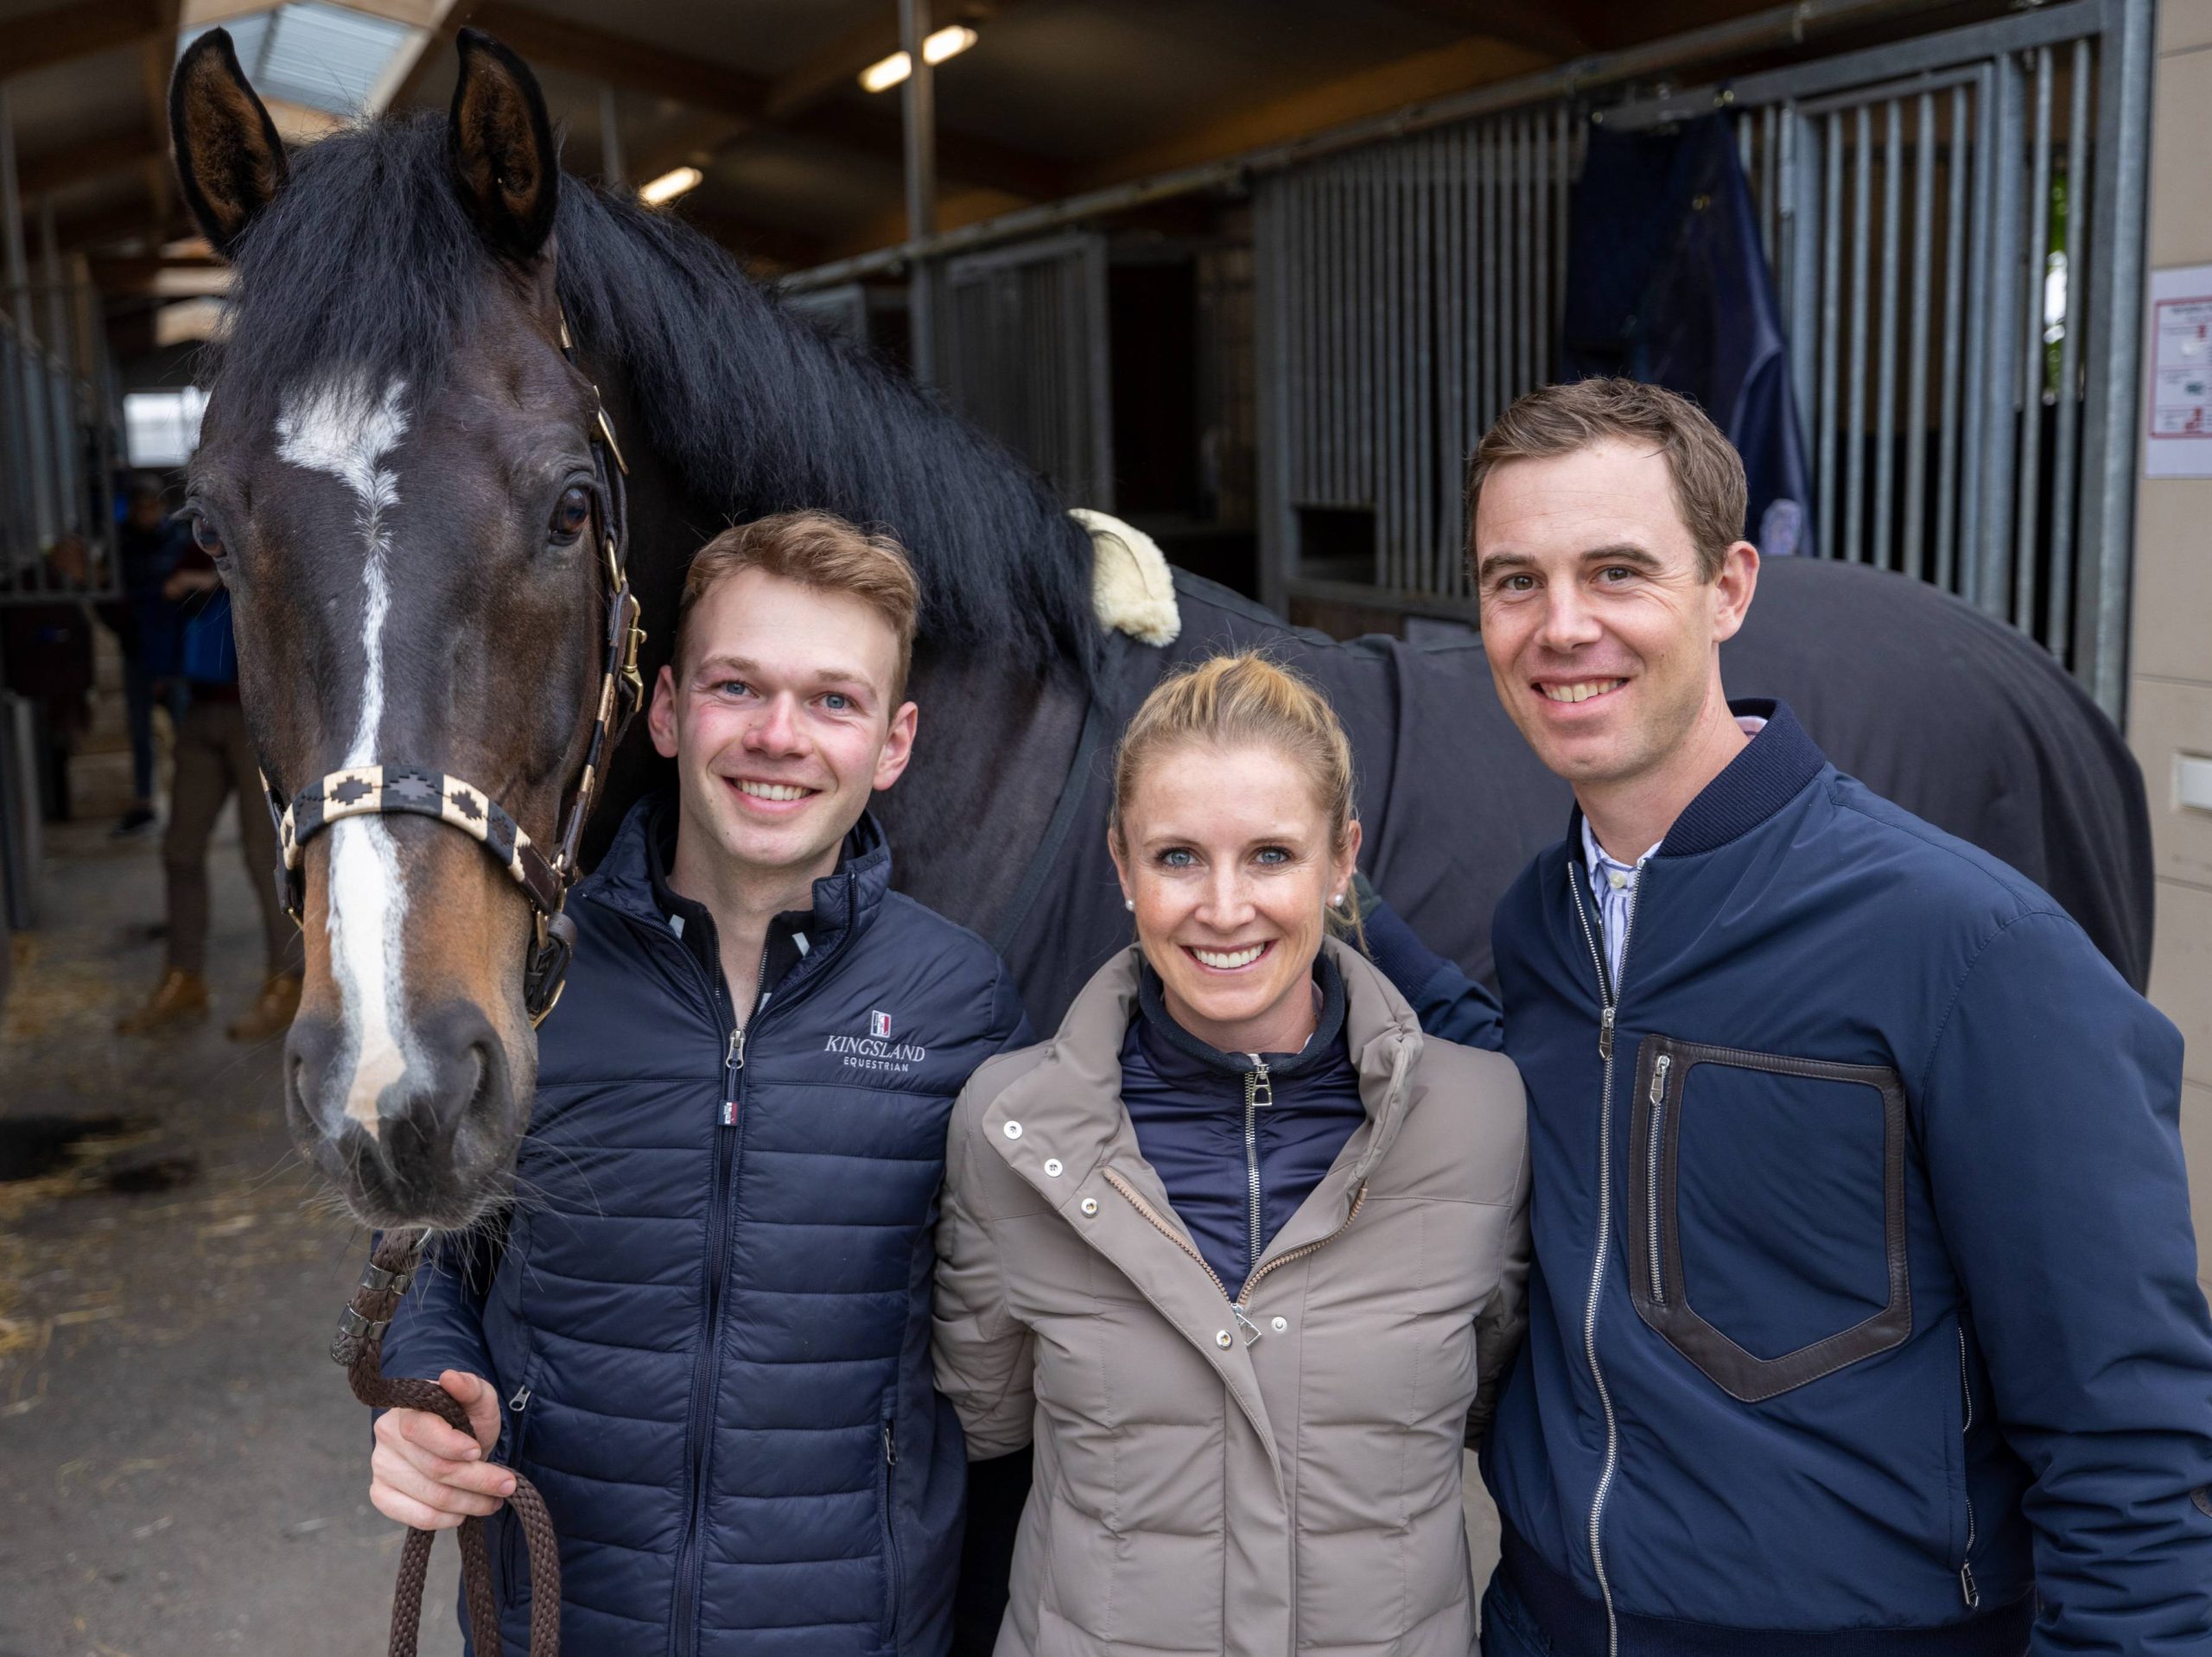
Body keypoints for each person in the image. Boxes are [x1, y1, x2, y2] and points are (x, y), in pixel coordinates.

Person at [1468, 378, 2212, 1655]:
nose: (1562, 626)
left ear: (1731, 588)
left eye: (1618, 571)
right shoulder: (1543, 926)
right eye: (1515, 581)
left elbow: (2129, 1425)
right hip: (1544, 1620)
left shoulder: (1970, 945)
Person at [372, 511, 1030, 1655]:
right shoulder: (530, 980)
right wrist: (430, 1385)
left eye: (834, 700)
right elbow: (447, 1259)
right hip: (564, 1620)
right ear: (668, 710)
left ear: (894, 742)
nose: (781, 734)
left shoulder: (961, 1003)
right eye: (739, 686)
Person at [933, 651, 1530, 1657]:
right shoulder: (1010, 1130)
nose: (1221, 906)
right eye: (1176, 857)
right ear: (1119, 864)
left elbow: (1487, 1401)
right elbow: (987, 1418)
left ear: (1341, 862)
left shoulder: (1478, 1119)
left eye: (1269, 856)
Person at [114, 532, 302, 1040]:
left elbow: (294, 588)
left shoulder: (264, 522)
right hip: (200, 703)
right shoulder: (190, 540)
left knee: (264, 854)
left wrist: (216, 580)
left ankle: (289, 986)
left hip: (255, 715)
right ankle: (184, 978)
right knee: (179, 848)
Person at [96, 479, 189, 837]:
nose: (147, 514)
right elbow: (109, 595)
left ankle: (184, 794)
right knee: (140, 727)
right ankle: (145, 800)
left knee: (182, 723)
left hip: (173, 646)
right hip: (137, 645)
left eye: (152, 506)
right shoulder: (120, 544)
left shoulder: (178, 538)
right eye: (140, 507)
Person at [1, 536, 98, 823]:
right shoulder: (36, 584)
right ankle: (55, 808)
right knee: (50, 749)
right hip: (43, 684)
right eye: (71, 556)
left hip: (59, 683)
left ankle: (60, 806)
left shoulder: (63, 584)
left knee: (59, 747)